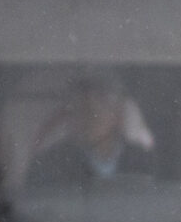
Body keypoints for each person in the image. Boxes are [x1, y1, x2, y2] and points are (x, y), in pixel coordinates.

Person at [25, 76, 155, 191]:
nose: (88, 119)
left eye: (94, 112)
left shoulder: (142, 161)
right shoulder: (49, 163)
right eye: (80, 110)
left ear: (117, 115)